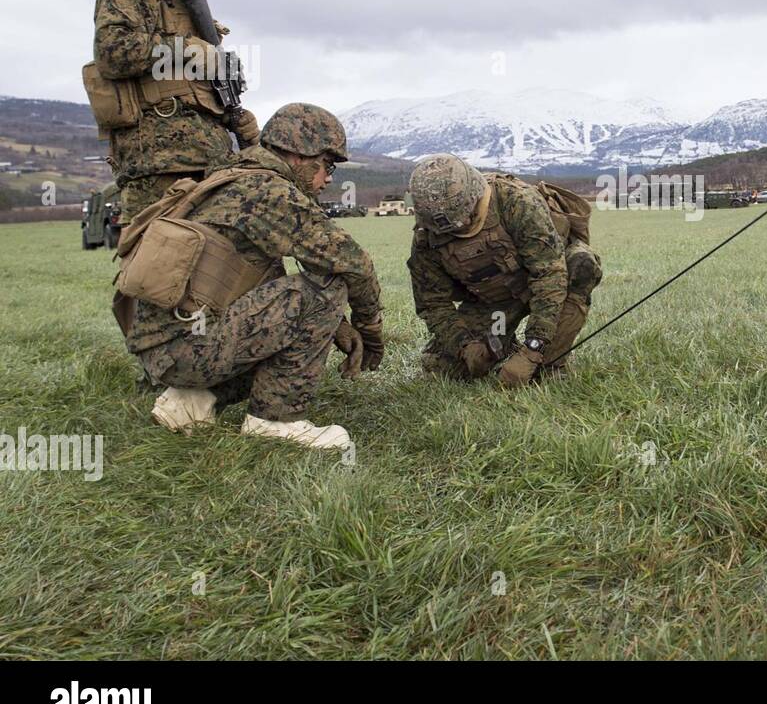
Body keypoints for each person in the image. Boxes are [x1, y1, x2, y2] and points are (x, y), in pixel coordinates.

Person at [115, 104, 383, 449]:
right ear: (298, 155)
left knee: (288, 307)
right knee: (329, 286)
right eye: (326, 165)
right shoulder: (267, 191)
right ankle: (275, 420)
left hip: (167, 349)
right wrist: (370, 330)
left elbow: (261, 289)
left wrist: (338, 326)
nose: (328, 178)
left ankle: (192, 400)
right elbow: (354, 263)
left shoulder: (227, 178)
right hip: (188, 348)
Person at [87, 0, 258, 223]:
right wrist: (185, 48)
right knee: (157, 264)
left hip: (211, 158)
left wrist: (239, 120)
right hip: (158, 162)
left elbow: (200, 86)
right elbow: (112, 52)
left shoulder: (188, 0)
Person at [407, 154, 601, 387]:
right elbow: (433, 304)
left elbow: (549, 275)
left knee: (583, 263)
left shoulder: (516, 201)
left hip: (545, 287)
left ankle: (551, 363)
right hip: (494, 302)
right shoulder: (426, 236)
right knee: (442, 367)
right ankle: (505, 348)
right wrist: (464, 346)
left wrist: (534, 349)